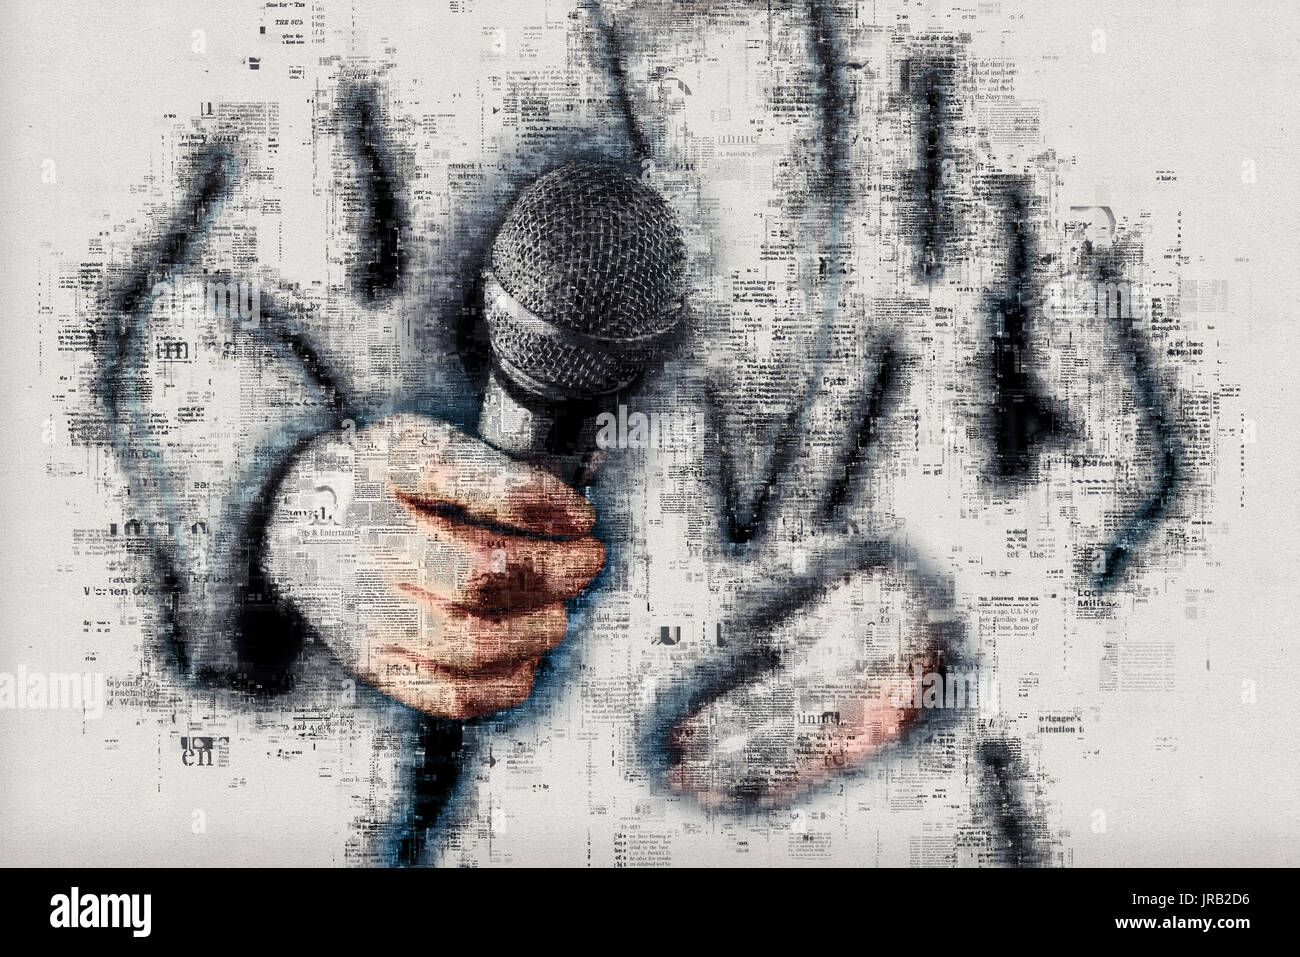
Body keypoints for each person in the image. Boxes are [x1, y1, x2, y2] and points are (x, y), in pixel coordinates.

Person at [95, 0, 1185, 866]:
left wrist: (941, 623)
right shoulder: (391, 49)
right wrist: (301, 507)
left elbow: (1117, 459)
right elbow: (199, 323)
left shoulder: (963, 75)